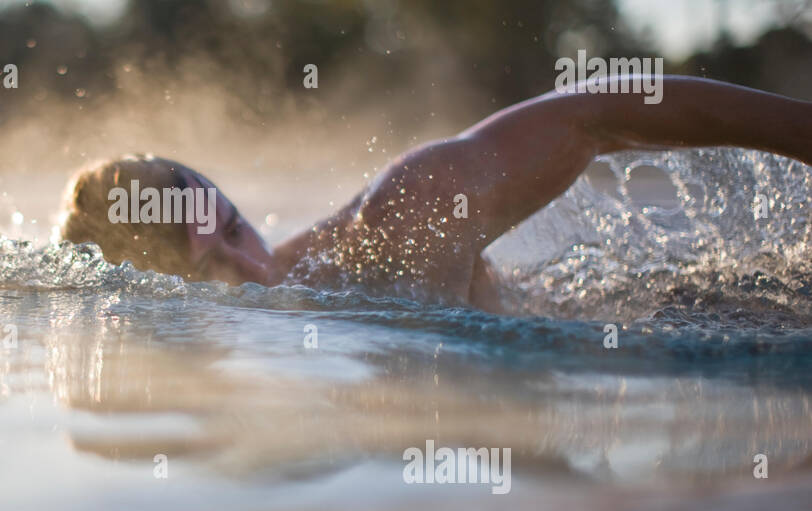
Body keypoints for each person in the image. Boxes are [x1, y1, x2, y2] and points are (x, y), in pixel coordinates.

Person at [58, 76, 812, 310]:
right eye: (214, 270)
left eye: (236, 231)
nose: (253, 267)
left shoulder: (400, 218)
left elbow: (595, 113)